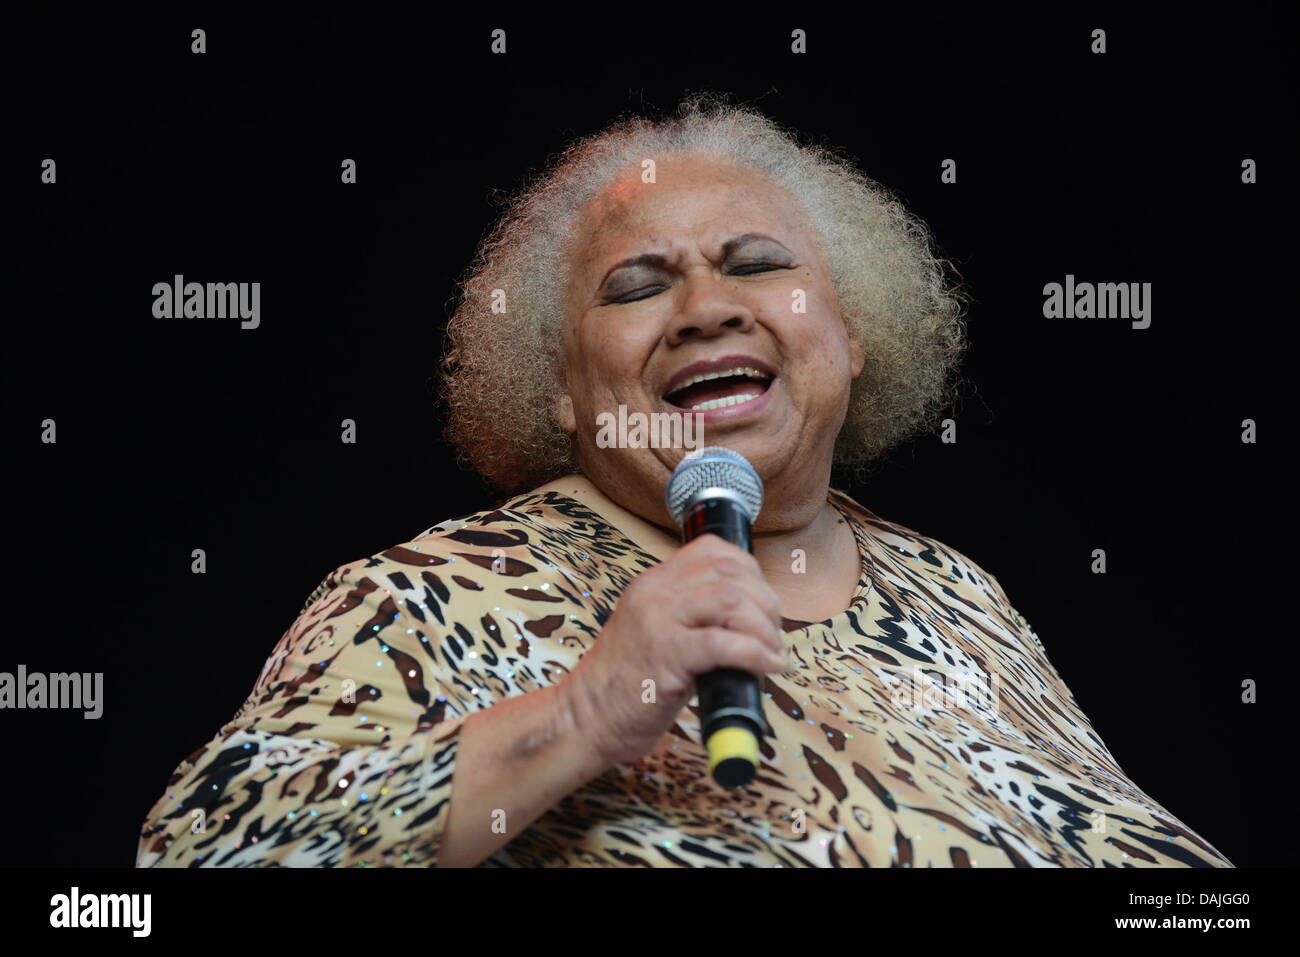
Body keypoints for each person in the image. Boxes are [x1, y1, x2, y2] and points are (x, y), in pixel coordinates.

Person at [136, 95, 1233, 868]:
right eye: (636, 285)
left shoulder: (959, 591)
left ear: (851, 334)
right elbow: (200, 854)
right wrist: (579, 714)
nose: (707, 307)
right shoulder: (431, 592)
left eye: (757, 264)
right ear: (560, 389)